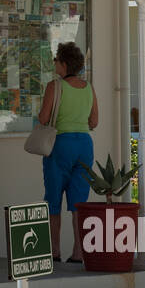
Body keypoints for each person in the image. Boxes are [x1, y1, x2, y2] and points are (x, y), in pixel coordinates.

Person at [37, 41, 98, 264]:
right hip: (84, 144)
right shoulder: (89, 87)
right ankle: (79, 252)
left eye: (56, 60)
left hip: (60, 143)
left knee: (53, 199)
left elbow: (44, 118)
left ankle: (54, 251)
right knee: (78, 202)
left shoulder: (55, 87)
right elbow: (94, 121)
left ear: (63, 64)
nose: (55, 63)